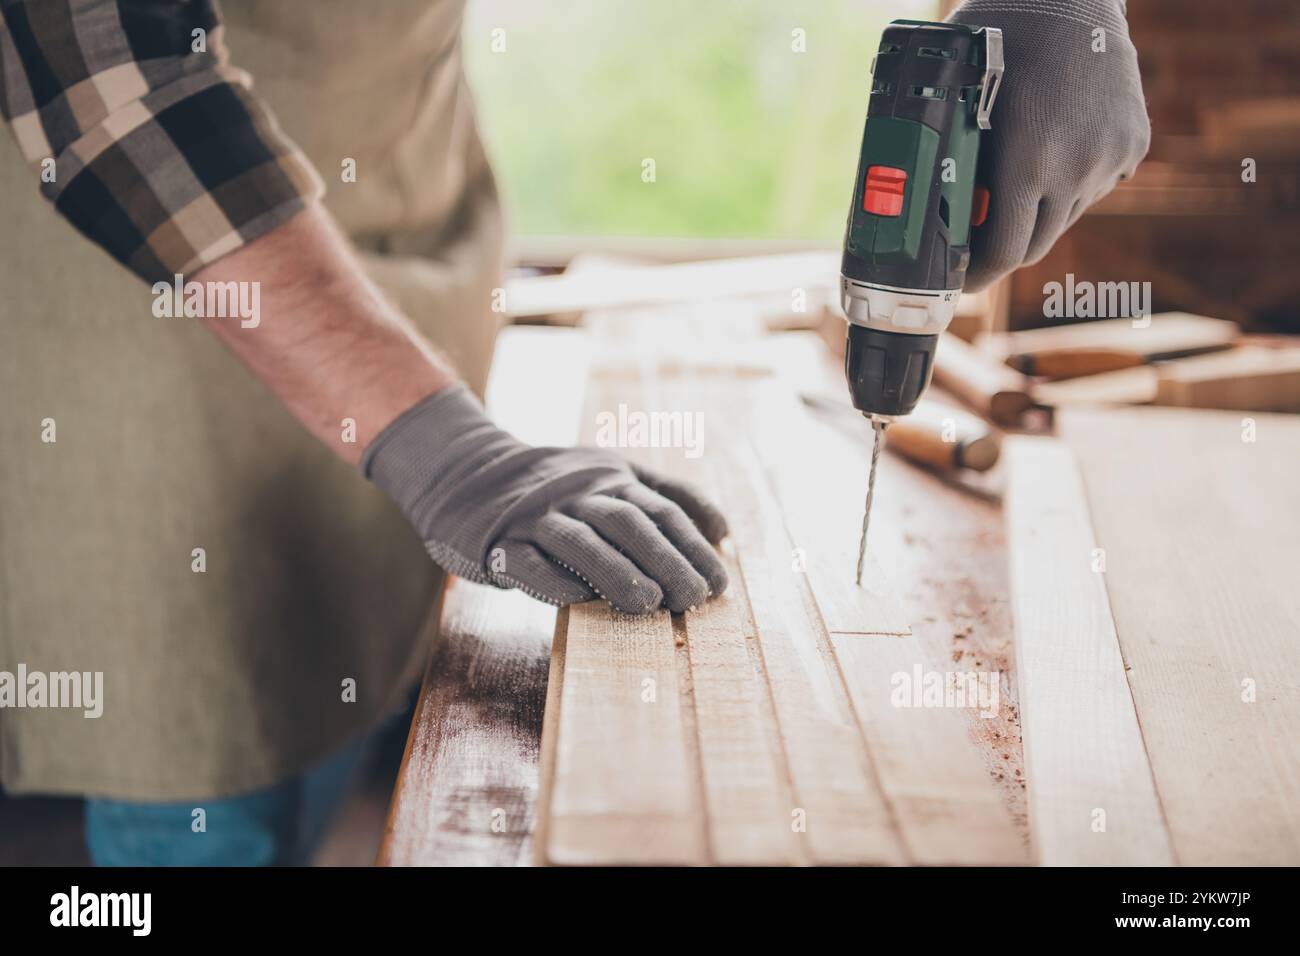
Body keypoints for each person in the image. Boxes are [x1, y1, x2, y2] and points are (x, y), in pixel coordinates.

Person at [0, 0, 1149, 865]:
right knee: (211, 766)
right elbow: (111, 82)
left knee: (358, 690)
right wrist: (441, 444)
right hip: (152, 295)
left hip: (405, 221)